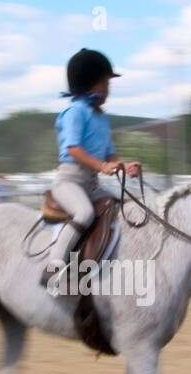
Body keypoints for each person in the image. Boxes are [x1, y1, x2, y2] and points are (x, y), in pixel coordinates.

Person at [41, 48, 140, 286]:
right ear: (88, 84)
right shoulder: (74, 112)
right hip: (70, 181)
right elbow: (73, 149)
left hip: (91, 184)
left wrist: (123, 165)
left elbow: (109, 154)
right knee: (83, 213)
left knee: (121, 207)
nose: (108, 89)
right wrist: (101, 165)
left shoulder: (101, 117)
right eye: (104, 82)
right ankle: (53, 268)